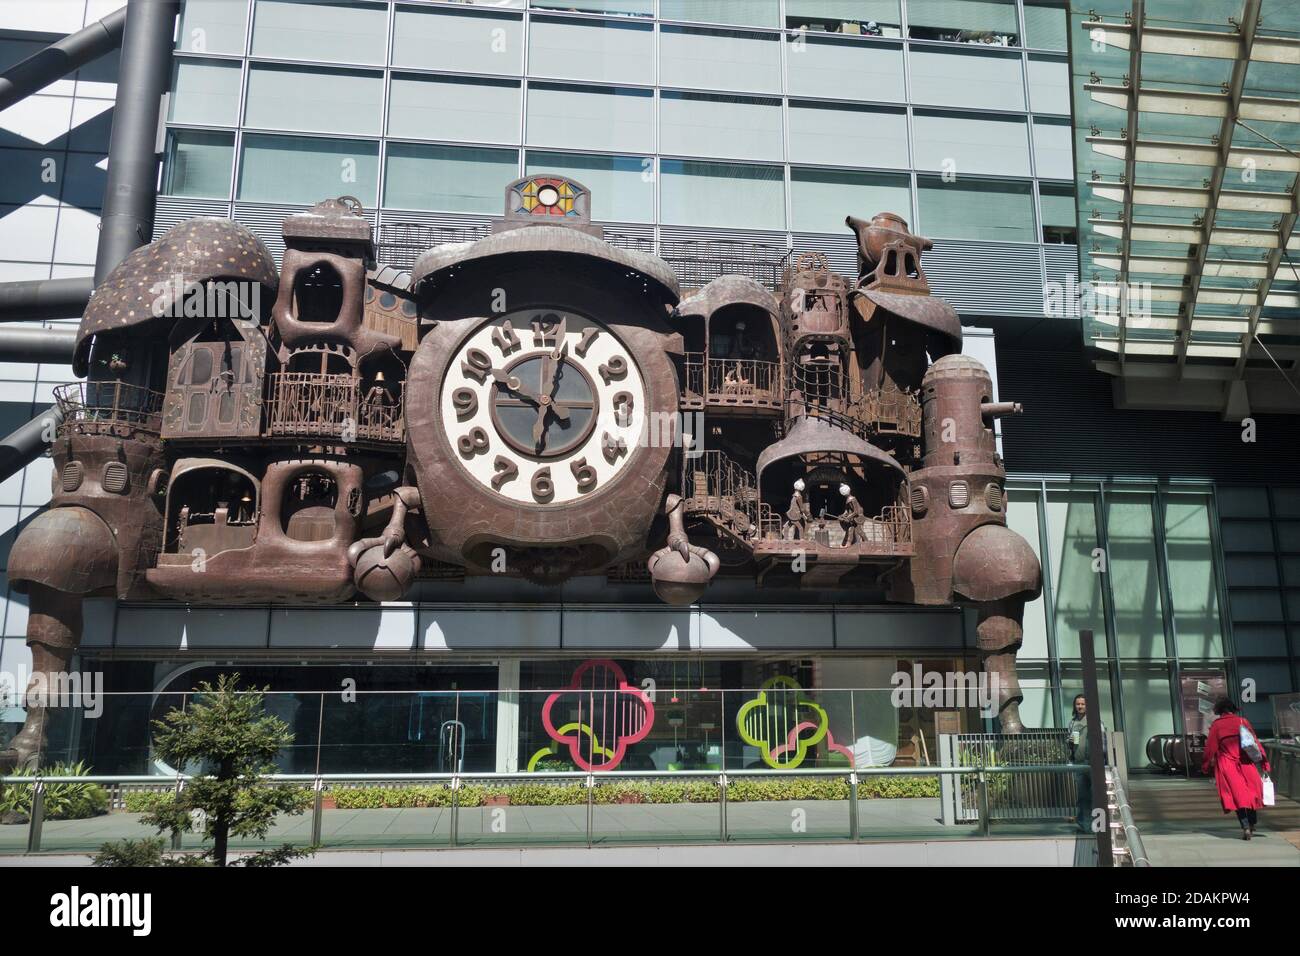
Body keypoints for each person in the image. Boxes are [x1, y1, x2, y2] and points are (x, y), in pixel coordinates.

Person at [1201, 696, 1271, 840]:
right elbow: (1255, 743)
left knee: (1237, 796)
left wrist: (1205, 766)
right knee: (1252, 793)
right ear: (1233, 709)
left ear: (1219, 711)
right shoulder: (1242, 721)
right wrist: (1264, 762)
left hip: (1227, 764)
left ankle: (1245, 826)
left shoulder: (1217, 726)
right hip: (1246, 763)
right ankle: (1252, 824)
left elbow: (1210, 748)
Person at [1066, 694, 1097, 833]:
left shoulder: (1094, 721)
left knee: (1094, 794)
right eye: (1078, 704)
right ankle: (1085, 823)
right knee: (1083, 795)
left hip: (1092, 763)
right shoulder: (1072, 723)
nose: (1080, 706)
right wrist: (1069, 742)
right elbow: (1070, 743)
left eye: (1083, 704)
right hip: (1079, 762)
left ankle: (1094, 823)